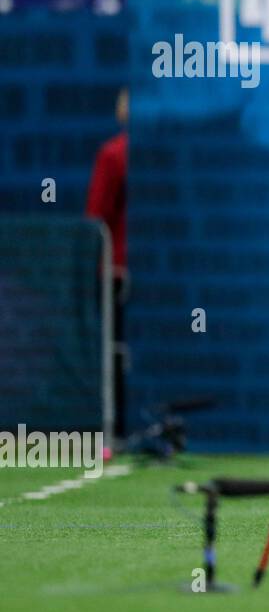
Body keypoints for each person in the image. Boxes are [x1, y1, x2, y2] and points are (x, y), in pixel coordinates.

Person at [86, 87, 128, 439]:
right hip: (121, 271)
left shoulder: (115, 154)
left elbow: (95, 215)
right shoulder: (114, 155)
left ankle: (116, 428)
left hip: (117, 271)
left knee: (113, 349)